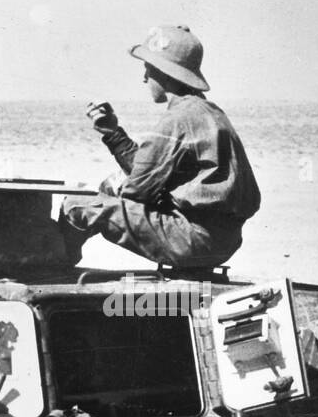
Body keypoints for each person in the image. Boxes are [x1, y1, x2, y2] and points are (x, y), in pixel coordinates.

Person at [60, 25, 259, 268]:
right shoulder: (207, 112)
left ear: (165, 73)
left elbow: (138, 190)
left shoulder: (176, 119)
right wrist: (112, 132)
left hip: (193, 240)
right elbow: (148, 173)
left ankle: (56, 263)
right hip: (222, 240)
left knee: (74, 205)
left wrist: (107, 201)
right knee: (112, 184)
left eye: (148, 69)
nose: (144, 78)